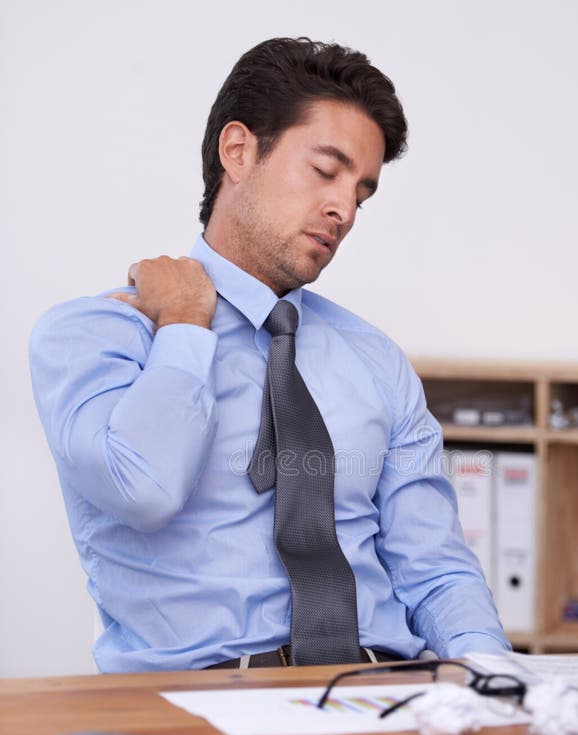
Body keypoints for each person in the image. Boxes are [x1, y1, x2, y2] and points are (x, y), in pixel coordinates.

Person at [29, 37, 510, 672]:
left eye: (361, 194)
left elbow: (435, 568)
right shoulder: (95, 335)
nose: (343, 210)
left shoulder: (376, 361)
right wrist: (184, 323)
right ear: (239, 150)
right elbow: (141, 487)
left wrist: (500, 679)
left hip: (381, 689)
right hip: (194, 706)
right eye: (324, 170)